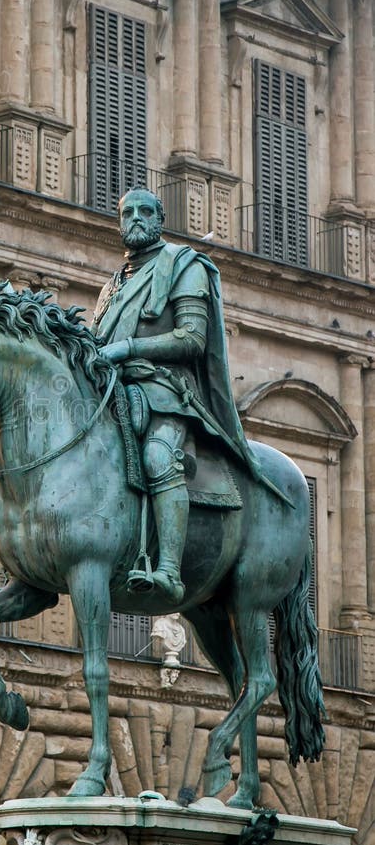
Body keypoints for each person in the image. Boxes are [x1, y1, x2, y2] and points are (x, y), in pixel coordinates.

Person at [93, 187, 283, 604]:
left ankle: (169, 569)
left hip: (165, 391)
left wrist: (128, 349)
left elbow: (192, 338)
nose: (136, 218)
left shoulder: (184, 265)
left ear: (160, 219)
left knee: (159, 457)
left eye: (145, 211)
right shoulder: (113, 284)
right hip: (115, 391)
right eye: (127, 212)